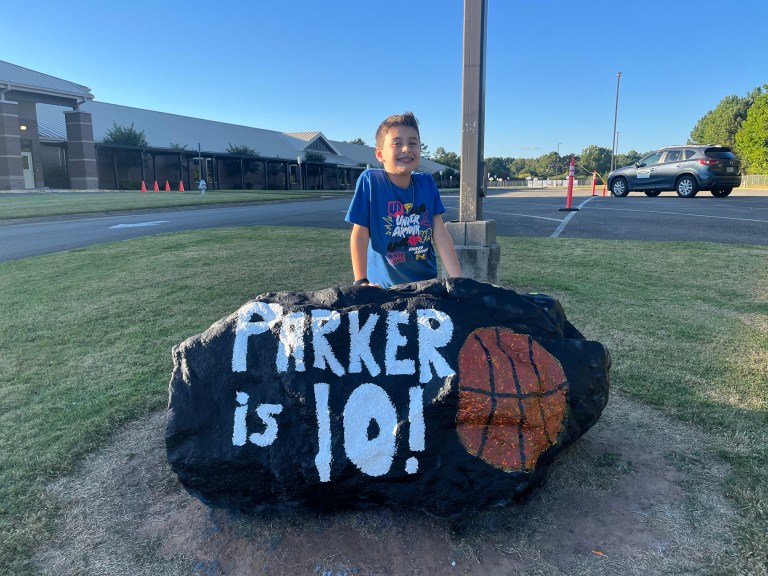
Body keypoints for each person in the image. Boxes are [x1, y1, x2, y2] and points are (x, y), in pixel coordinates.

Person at [346, 112, 462, 288]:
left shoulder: (426, 183)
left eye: (413, 143)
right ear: (380, 154)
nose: (406, 148)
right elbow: (360, 233)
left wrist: (459, 280)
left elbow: (439, 232)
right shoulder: (371, 181)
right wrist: (361, 281)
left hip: (426, 283)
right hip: (384, 287)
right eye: (397, 143)